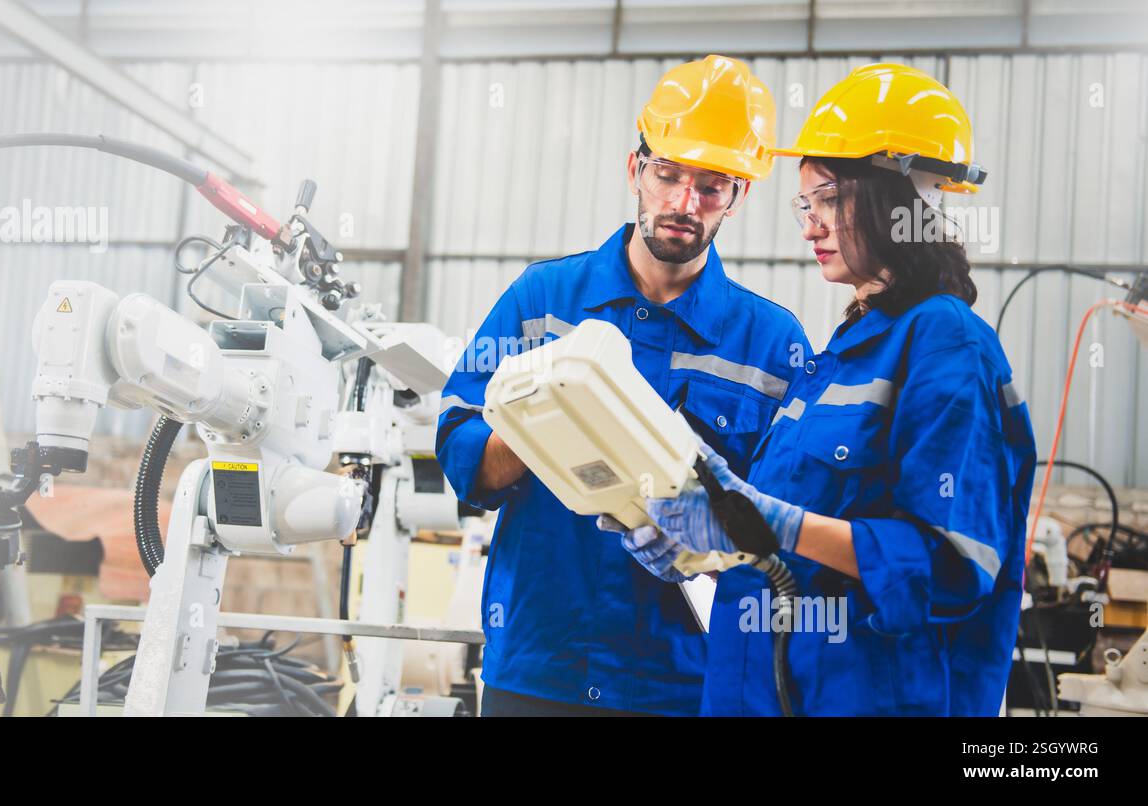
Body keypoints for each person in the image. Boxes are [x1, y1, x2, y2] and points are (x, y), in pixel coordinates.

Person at [610, 63, 1038, 716]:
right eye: (805, 204)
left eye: (831, 200)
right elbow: (797, 550)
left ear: (898, 204)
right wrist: (706, 545)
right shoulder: (837, 358)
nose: (810, 225)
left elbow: (952, 564)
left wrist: (772, 521)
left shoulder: (945, 343)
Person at [436, 55, 810, 716]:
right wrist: (547, 421)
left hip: (677, 685)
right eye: (667, 175)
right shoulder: (542, 301)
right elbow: (461, 450)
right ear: (634, 169)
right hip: (538, 668)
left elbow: (785, 525)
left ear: (739, 196)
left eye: (710, 187)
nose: (681, 204)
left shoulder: (771, 347)